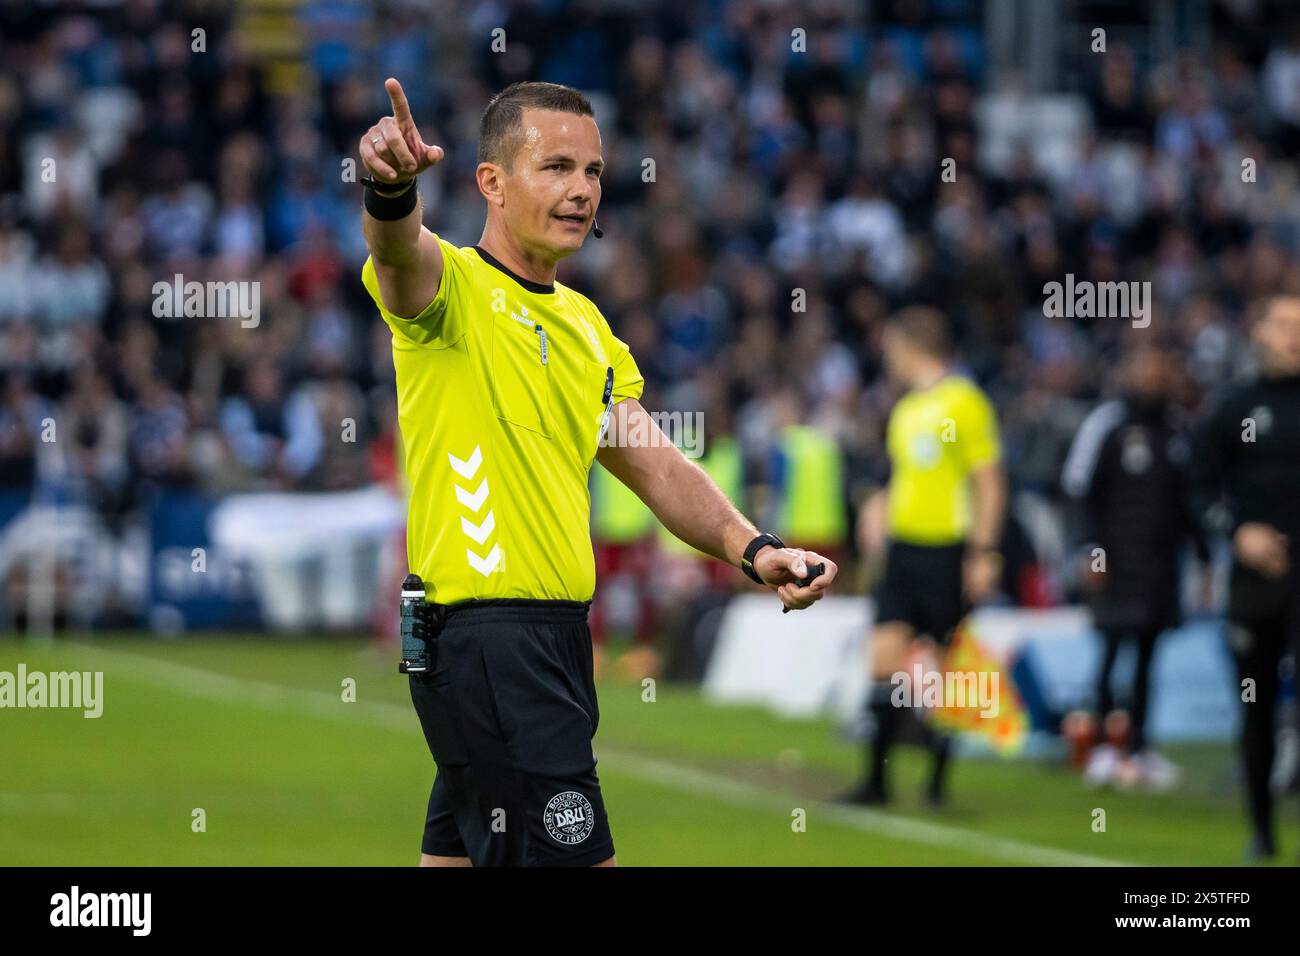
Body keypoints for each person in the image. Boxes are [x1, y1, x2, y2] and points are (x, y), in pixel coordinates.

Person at [358, 78, 838, 867]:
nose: (581, 190)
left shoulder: (585, 327)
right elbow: (397, 255)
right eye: (555, 167)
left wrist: (756, 549)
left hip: (547, 640)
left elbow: (655, 466)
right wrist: (390, 187)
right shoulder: (451, 292)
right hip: (492, 640)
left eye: (592, 171)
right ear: (492, 183)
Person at [840, 307, 1006, 807]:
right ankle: (877, 782)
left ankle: (936, 787)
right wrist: (879, 508)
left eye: (892, 347)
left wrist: (984, 552)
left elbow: (989, 481)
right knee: (882, 661)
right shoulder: (908, 408)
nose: (886, 358)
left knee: (944, 665)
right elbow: (905, 478)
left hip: (947, 550)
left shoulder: (965, 402)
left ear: (913, 345)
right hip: (903, 551)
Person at [1061, 346, 1211, 789]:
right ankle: (1105, 750)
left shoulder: (1178, 428)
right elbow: (1078, 490)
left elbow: (1191, 503)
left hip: (1162, 564)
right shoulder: (1107, 424)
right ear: (1129, 372)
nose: (1156, 375)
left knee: (1149, 657)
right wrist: (1088, 550)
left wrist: (1203, 560)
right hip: (1114, 562)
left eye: (1163, 367)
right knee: (1110, 653)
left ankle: (1140, 749)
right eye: (1147, 367)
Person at [1191, 294, 1300, 861]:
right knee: (1254, 707)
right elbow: (1198, 487)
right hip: (1255, 584)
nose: (1294, 336)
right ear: (1259, 331)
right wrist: (1237, 533)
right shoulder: (1234, 406)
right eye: (1284, 324)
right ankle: (1262, 829)